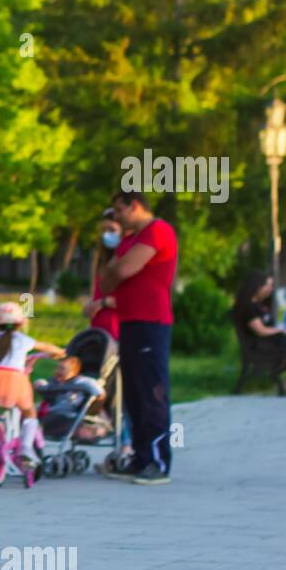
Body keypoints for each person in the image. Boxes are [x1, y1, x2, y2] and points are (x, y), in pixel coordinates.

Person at [98, 189, 177, 485]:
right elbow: (106, 281)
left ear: (135, 206)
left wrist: (118, 269)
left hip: (151, 323)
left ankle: (157, 461)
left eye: (119, 211)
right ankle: (141, 458)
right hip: (129, 322)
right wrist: (116, 269)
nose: (116, 218)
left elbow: (125, 269)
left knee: (151, 391)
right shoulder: (129, 241)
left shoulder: (158, 231)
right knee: (133, 393)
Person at [0, 301, 65, 463]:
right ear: (19, 324)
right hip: (15, 381)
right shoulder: (23, 339)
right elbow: (46, 346)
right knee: (29, 411)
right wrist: (60, 352)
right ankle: (25, 447)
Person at [82, 210, 121, 341]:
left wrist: (101, 303)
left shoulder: (128, 262)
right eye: (104, 230)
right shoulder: (106, 262)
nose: (107, 235)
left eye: (111, 229)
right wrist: (91, 306)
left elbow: (133, 300)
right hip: (100, 334)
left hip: (118, 334)